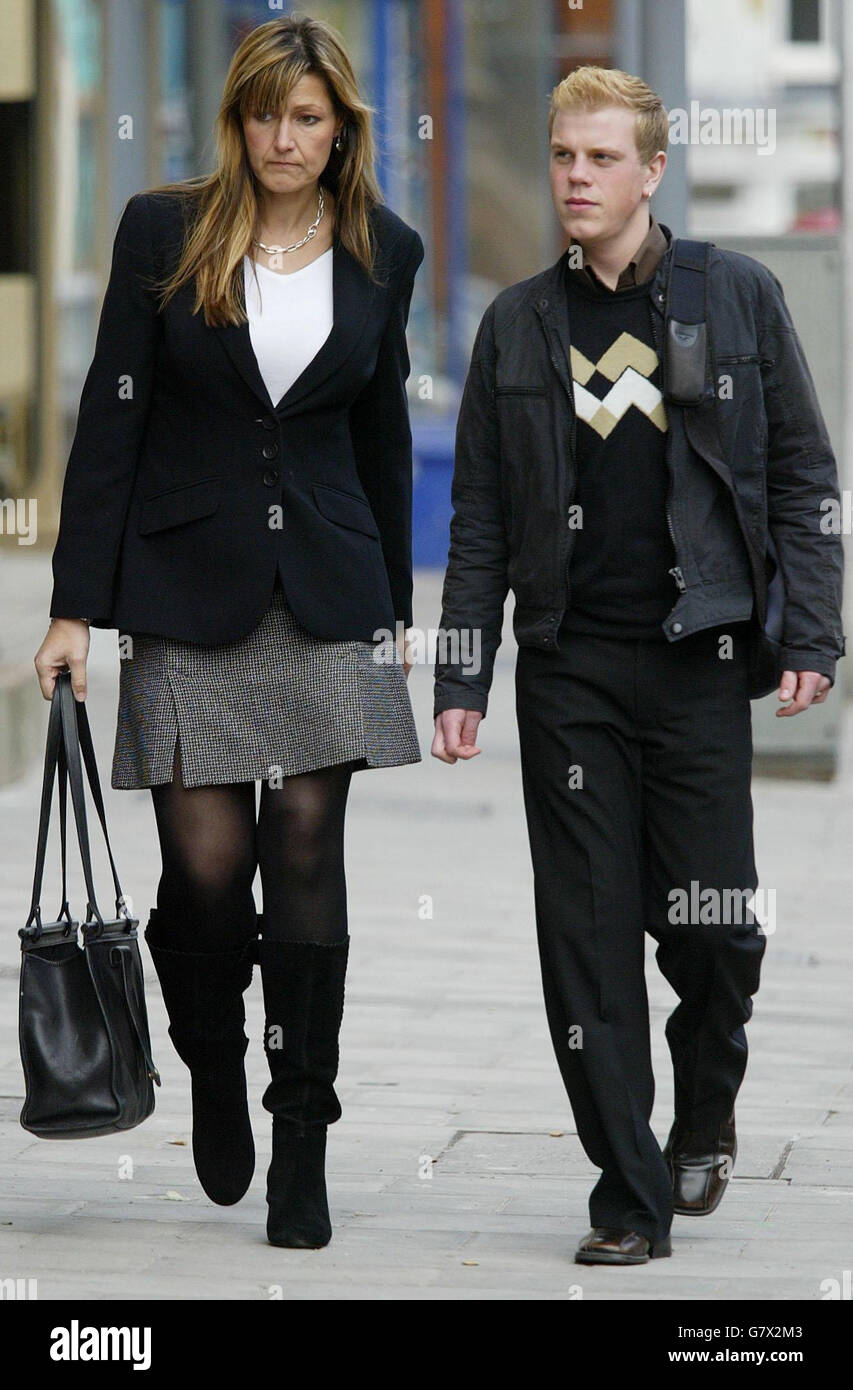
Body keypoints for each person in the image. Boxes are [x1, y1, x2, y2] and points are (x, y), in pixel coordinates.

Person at [431, 65, 845, 1265]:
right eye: (563, 156)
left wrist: (810, 635)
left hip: (699, 662)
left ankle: (705, 1105)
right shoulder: (517, 324)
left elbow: (807, 480)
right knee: (588, 939)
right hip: (569, 673)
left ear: (651, 170)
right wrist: (462, 680)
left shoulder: (735, 298)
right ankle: (628, 1190)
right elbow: (478, 522)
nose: (575, 178)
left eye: (601, 158)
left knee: (712, 927)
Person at [33, 13, 425, 1251]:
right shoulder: (167, 229)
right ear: (237, 120)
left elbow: (374, 443)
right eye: (265, 115)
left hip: (321, 590)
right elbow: (112, 421)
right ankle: (211, 1056)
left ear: (340, 127)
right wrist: (71, 608)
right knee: (206, 884)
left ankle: (302, 1128)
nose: (283, 138)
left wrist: (394, 616)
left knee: (307, 852)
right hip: (183, 591)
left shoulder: (384, 251)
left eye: (306, 118)